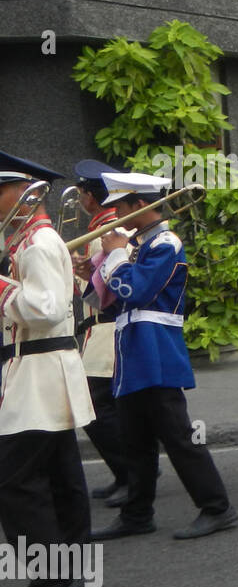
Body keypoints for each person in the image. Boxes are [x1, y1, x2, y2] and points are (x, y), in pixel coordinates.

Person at [91, 172, 238, 542]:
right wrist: (94, 273)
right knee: (134, 437)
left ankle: (217, 506)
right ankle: (137, 513)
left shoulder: (164, 242)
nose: (116, 216)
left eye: (121, 208)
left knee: (178, 436)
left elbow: (136, 291)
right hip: (133, 349)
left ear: (142, 205)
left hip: (155, 347)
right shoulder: (139, 243)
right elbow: (111, 302)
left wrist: (114, 257)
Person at [0, 152, 95, 587]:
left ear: (21, 191)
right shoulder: (28, 240)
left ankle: (54, 581)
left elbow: (46, 307)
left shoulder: (36, 243)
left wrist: (0, 288)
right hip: (44, 368)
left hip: (40, 372)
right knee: (59, 474)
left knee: (15, 481)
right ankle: (72, 573)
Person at [69, 159, 132, 504]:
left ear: (91, 197)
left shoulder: (105, 232)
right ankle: (127, 472)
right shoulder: (104, 229)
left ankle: (130, 472)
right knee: (107, 408)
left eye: (81, 193)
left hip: (107, 332)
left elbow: (110, 289)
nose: (79, 200)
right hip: (101, 330)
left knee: (97, 409)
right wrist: (84, 272)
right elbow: (97, 287)